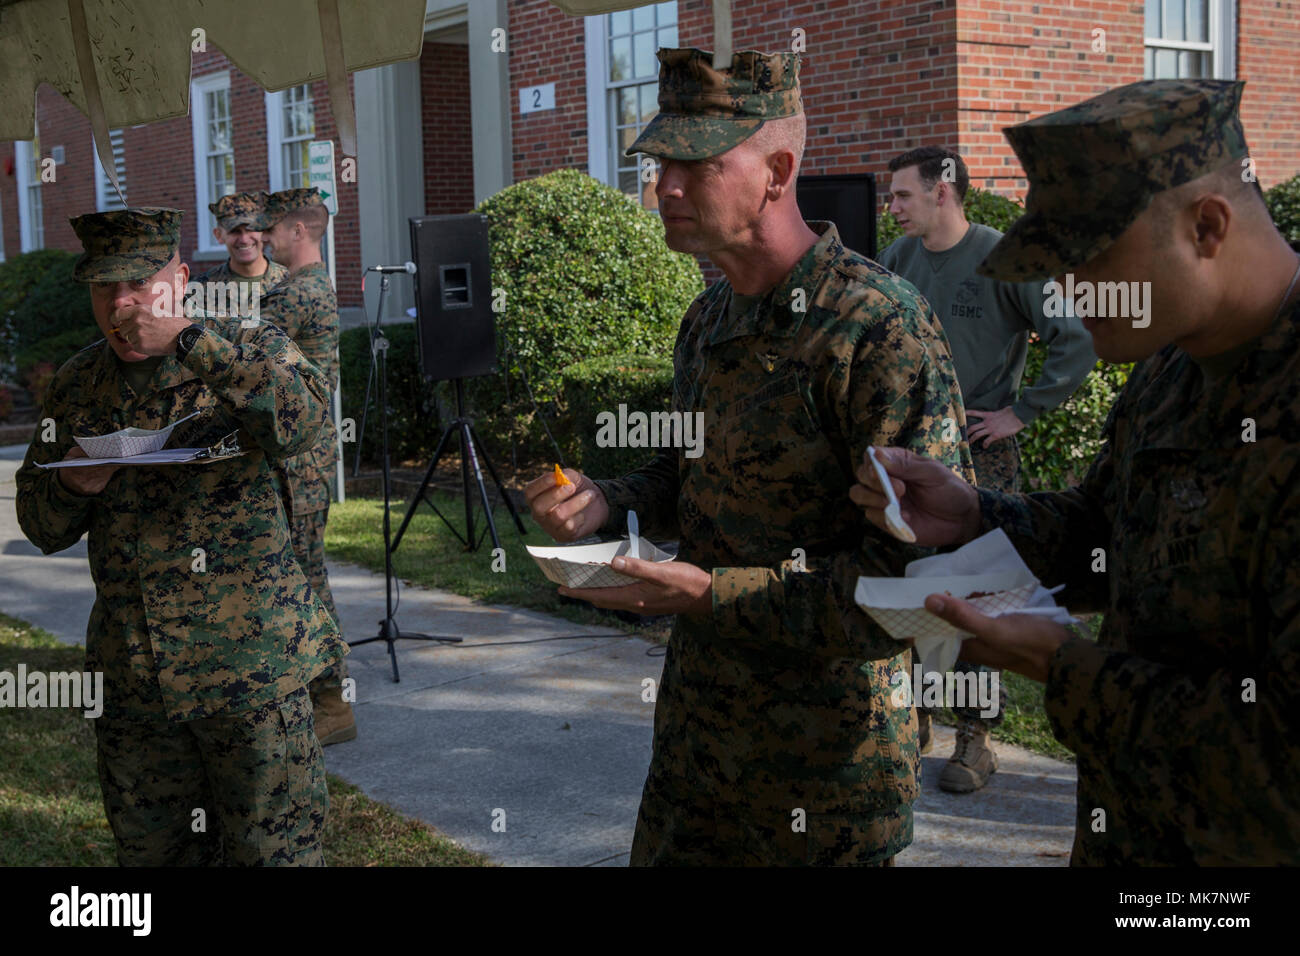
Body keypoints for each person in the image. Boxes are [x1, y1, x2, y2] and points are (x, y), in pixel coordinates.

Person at [525, 48, 973, 866]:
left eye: (694, 163)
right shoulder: (707, 320)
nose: (664, 185)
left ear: (777, 171)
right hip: (698, 751)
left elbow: (918, 589)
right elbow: (688, 470)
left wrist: (712, 594)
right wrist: (606, 502)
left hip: (826, 773)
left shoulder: (877, 328)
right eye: (661, 161)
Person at [852, 79, 1300, 865]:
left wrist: (1062, 669)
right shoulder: (1174, 367)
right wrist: (977, 514)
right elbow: (1104, 529)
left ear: (1208, 225)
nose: (1064, 291)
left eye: (1089, 258)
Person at [15, 207, 345, 865]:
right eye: (105, 287)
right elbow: (38, 523)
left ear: (182, 280)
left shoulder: (248, 343)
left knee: (273, 854)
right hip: (137, 685)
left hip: (250, 674)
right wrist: (71, 487)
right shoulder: (79, 385)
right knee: (156, 857)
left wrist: (194, 344)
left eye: (139, 283)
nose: (122, 302)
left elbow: (303, 422)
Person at [877, 146, 1097, 792]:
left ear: (943, 193)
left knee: (977, 589)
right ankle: (913, 721)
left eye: (902, 197)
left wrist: (1020, 413)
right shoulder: (898, 260)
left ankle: (976, 739)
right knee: (909, 576)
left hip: (982, 452)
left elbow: (1075, 338)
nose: (891, 209)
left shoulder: (1005, 257)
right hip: (915, 452)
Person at [256, 187, 354, 746]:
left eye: (273, 229)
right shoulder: (303, 286)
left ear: (298, 231)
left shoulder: (301, 291)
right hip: (303, 457)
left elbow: (238, 346)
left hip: (301, 463)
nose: (265, 237)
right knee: (300, 575)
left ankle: (331, 703)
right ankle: (318, 698)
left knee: (304, 579)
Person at [192, 191, 287, 315]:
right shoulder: (201, 289)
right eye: (235, 231)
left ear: (263, 231)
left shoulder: (287, 282)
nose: (244, 239)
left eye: (251, 229)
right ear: (219, 235)